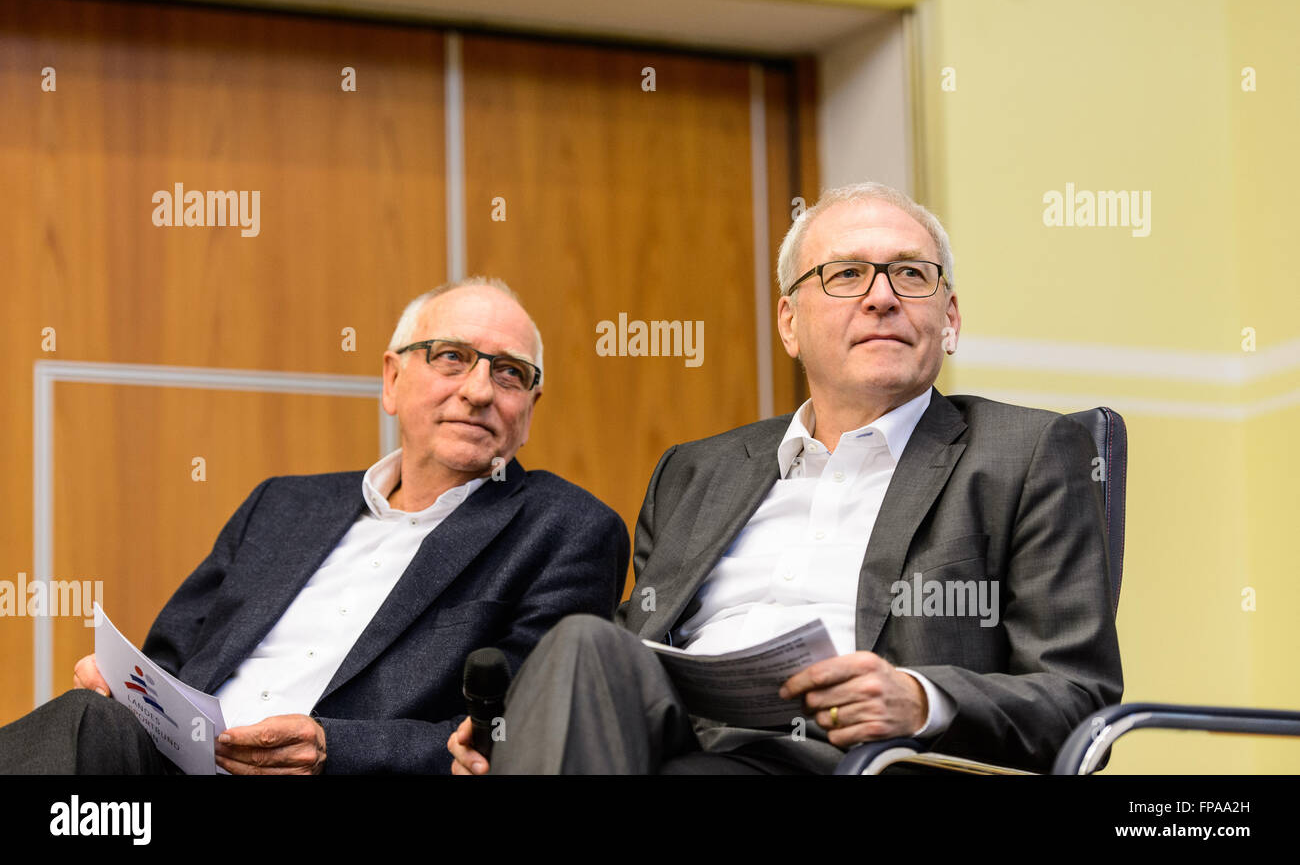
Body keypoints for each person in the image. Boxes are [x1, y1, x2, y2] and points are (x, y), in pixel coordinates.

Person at [448, 183, 1122, 775]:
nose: (882, 297)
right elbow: (625, 655)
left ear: (949, 320)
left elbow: (1076, 698)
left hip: (855, 759)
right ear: (789, 323)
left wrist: (920, 698)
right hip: (673, 742)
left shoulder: (1025, 452)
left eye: (911, 275)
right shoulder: (695, 470)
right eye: (846, 274)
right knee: (582, 641)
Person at [0, 277, 628, 774]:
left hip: (339, 776)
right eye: (452, 358)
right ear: (391, 378)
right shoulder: (282, 506)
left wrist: (336, 748)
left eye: (509, 372)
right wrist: (123, 684)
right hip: (176, 763)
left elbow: (519, 732)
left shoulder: (567, 530)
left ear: (530, 408)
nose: (479, 390)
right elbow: (169, 661)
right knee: (87, 720)